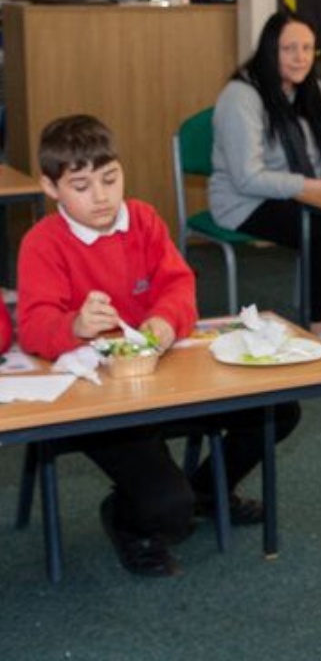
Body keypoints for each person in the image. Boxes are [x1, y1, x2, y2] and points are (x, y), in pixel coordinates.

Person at [18, 114, 299, 578]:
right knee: (170, 511)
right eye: (82, 186)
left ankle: (209, 491)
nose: (102, 196)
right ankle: (126, 519)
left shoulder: (143, 219)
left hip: (162, 378)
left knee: (280, 409)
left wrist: (166, 322)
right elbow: (33, 327)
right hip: (94, 401)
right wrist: (75, 323)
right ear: (51, 189)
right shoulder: (43, 243)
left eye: (110, 179)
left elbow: (178, 286)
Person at [209, 10, 321, 351]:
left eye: (308, 48)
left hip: (303, 192)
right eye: (289, 49)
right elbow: (247, 178)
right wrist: (316, 187)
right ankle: (315, 324)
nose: (301, 58)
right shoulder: (242, 96)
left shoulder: (312, 88)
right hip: (246, 202)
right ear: (270, 51)